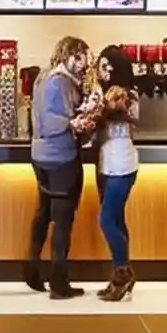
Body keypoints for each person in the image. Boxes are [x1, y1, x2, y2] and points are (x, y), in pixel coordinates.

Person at [26, 36, 96, 300]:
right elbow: (60, 121)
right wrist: (80, 123)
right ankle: (58, 281)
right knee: (63, 220)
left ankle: (31, 269)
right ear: (67, 54)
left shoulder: (42, 78)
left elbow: (39, 122)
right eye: (79, 57)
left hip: (39, 157)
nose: (83, 64)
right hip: (62, 157)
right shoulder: (63, 82)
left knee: (43, 212)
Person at [92, 45, 140, 302]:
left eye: (108, 65)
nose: (104, 70)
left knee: (106, 220)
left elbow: (129, 117)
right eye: (102, 65)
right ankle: (122, 276)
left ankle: (123, 274)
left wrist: (103, 110)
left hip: (122, 165)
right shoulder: (101, 92)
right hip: (107, 163)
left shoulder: (128, 95)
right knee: (117, 220)